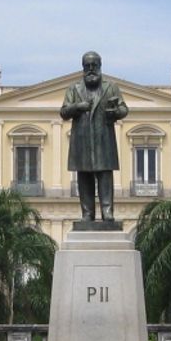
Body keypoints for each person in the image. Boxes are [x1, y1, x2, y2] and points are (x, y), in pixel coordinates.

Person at [60, 51, 128, 223]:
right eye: (87, 66)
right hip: (81, 141)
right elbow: (63, 112)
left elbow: (124, 109)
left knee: (105, 175)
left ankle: (107, 212)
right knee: (84, 177)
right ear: (83, 68)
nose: (91, 69)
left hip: (103, 139)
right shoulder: (74, 89)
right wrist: (78, 107)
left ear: (100, 66)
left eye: (94, 66)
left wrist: (115, 112)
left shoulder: (110, 87)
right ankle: (87, 214)